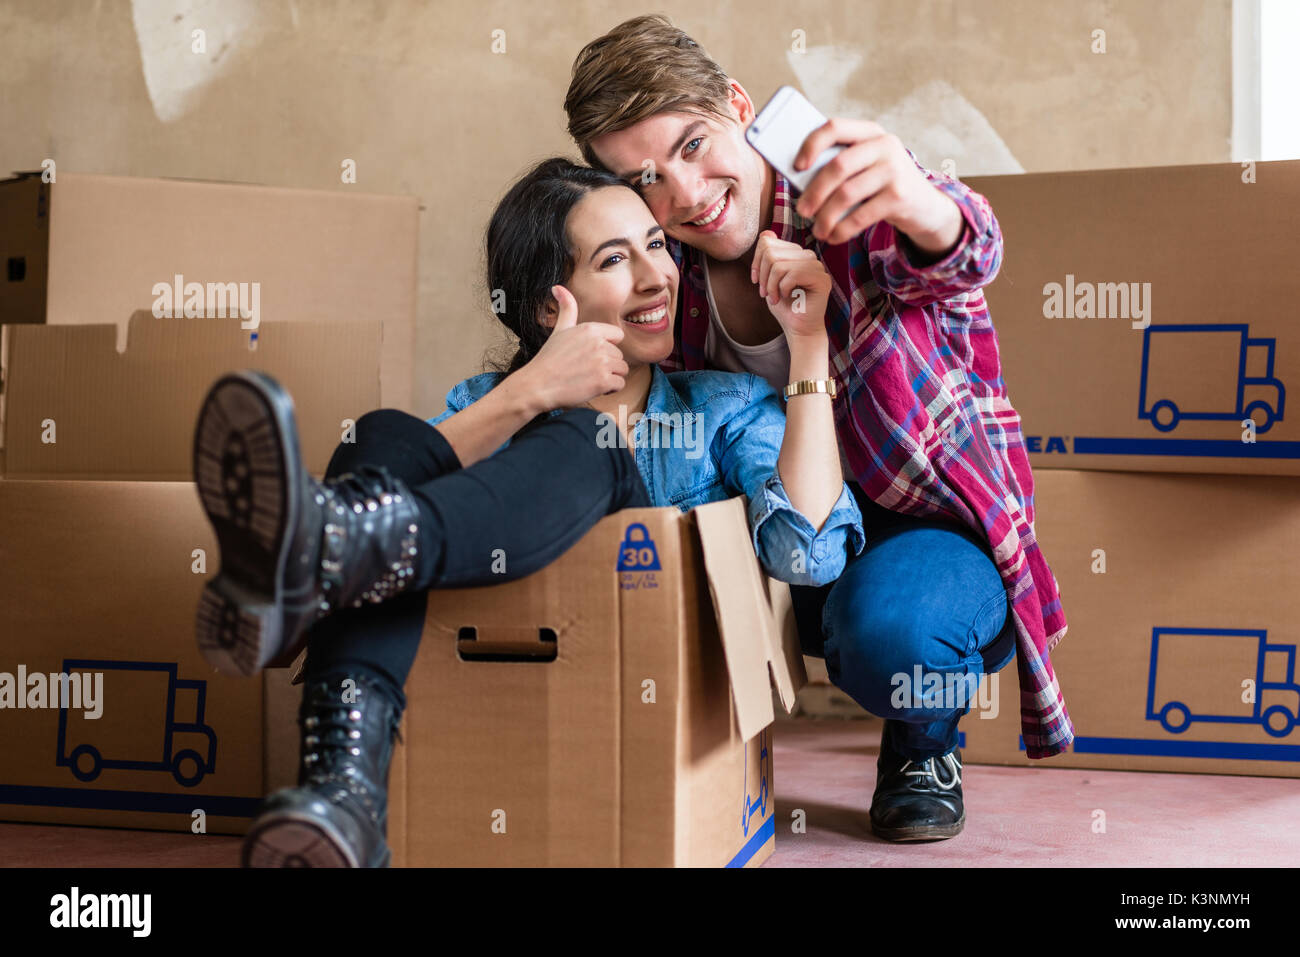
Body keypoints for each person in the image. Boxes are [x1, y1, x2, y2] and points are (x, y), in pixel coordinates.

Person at [191, 156, 864, 867]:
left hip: (638, 696)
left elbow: (808, 555)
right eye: (614, 258)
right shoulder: (484, 401)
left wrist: (808, 345)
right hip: (498, 694)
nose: (655, 276)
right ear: (550, 305)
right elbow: (405, 465)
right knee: (385, 435)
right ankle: (345, 793)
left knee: (588, 440)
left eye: (656, 246)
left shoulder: (721, 408)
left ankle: (324, 552)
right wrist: (529, 392)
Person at [563, 14, 1074, 841]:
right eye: (649, 177)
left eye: (695, 145)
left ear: (738, 105)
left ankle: (922, 741)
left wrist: (917, 197)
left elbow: (962, 248)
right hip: (787, 520)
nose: (686, 194)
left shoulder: (843, 202)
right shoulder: (667, 267)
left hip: (921, 523)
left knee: (893, 638)